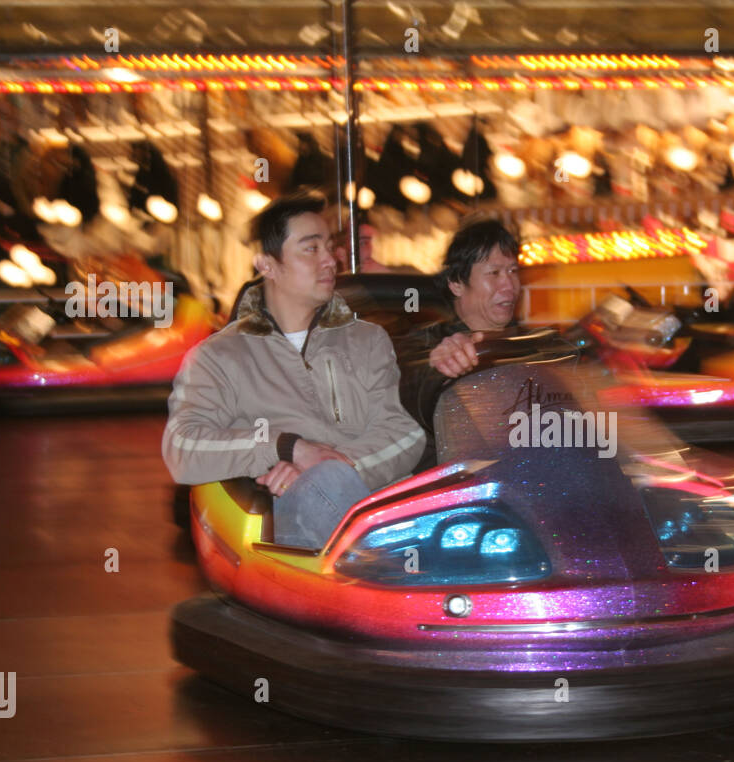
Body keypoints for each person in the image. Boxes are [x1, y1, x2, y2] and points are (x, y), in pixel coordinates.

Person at [163, 189, 425, 549]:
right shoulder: (219, 357)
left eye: (330, 247)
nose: (330, 260)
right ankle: (403, 579)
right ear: (267, 265)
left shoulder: (367, 340)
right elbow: (182, 447)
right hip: (293, 533)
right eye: (311, 248)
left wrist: (338, 464)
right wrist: (287, 448)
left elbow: (404, 433)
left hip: (375, 503)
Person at [397, 218, 524, 470]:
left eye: (513, 271)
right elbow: (410, 382)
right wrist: (438, 365)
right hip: (457, 489)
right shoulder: (425, 345)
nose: (508, 285)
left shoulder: (529, 344)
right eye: (494, 273)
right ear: (456, 283)